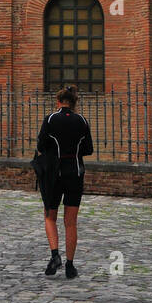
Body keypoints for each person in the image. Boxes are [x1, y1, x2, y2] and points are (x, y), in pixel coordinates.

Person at [35, 85, 93, 278]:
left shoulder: (51, 119)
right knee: (71, 221)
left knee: (50, 216)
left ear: (58, 102)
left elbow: (41, 145)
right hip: (75, 173)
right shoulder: (82, 121)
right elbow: (88, 149)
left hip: (54, 174)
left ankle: (54, 255)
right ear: (74, 103)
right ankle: (70, 265)